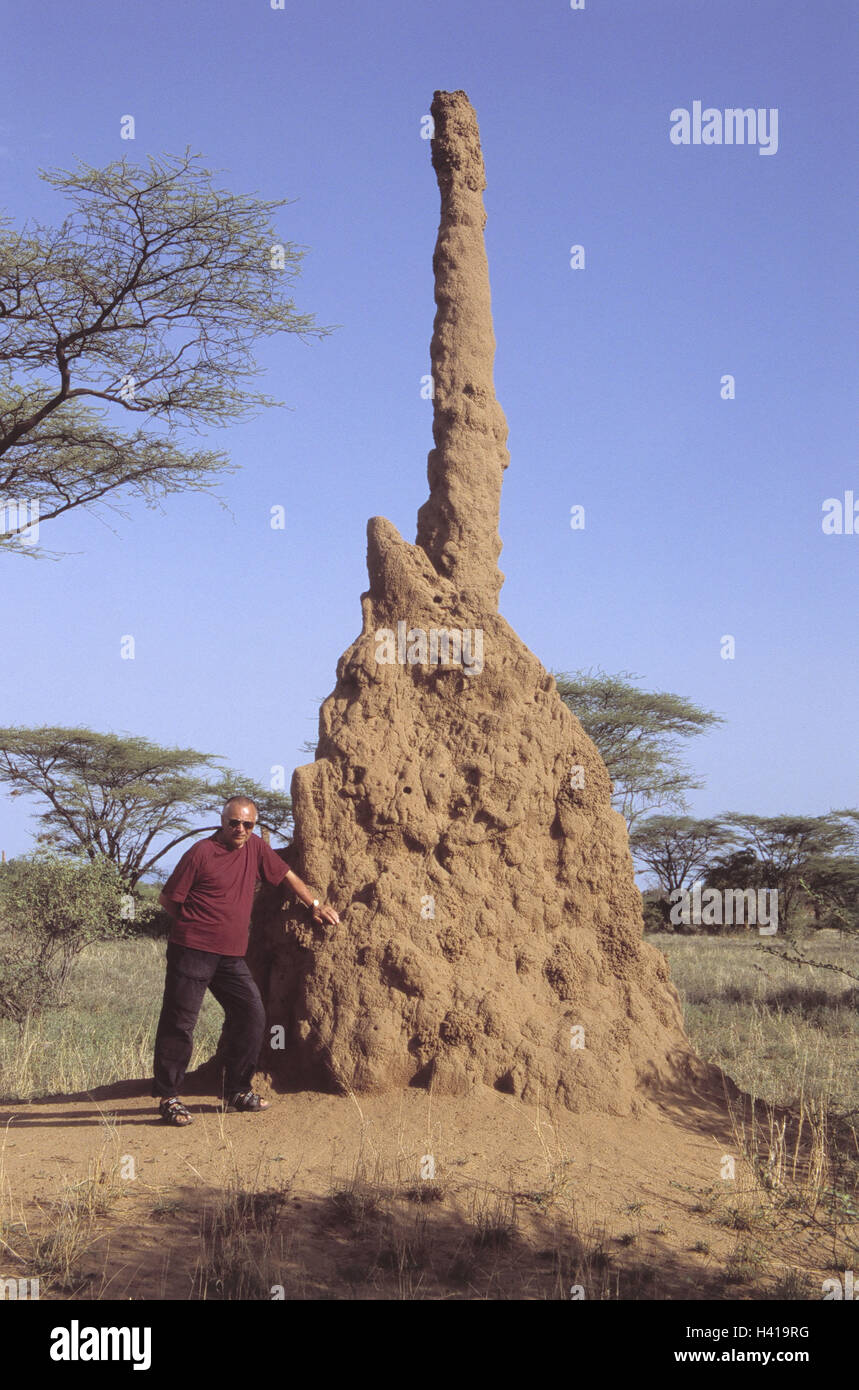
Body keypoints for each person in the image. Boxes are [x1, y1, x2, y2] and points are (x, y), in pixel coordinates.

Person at [152, 795, 340, 1126]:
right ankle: (169, 1097)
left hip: (230, 956)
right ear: (221, 822)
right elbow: (168, 900)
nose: (240, 829)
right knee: (180, 1022)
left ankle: (237, 1089)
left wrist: (314, 904)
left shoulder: (255, 848)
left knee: (253, 1015)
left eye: (247, 824)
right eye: (234, 823)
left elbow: (286, 875)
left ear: (254, 826)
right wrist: (197, 925)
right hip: (192, 950)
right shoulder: (201, 853)